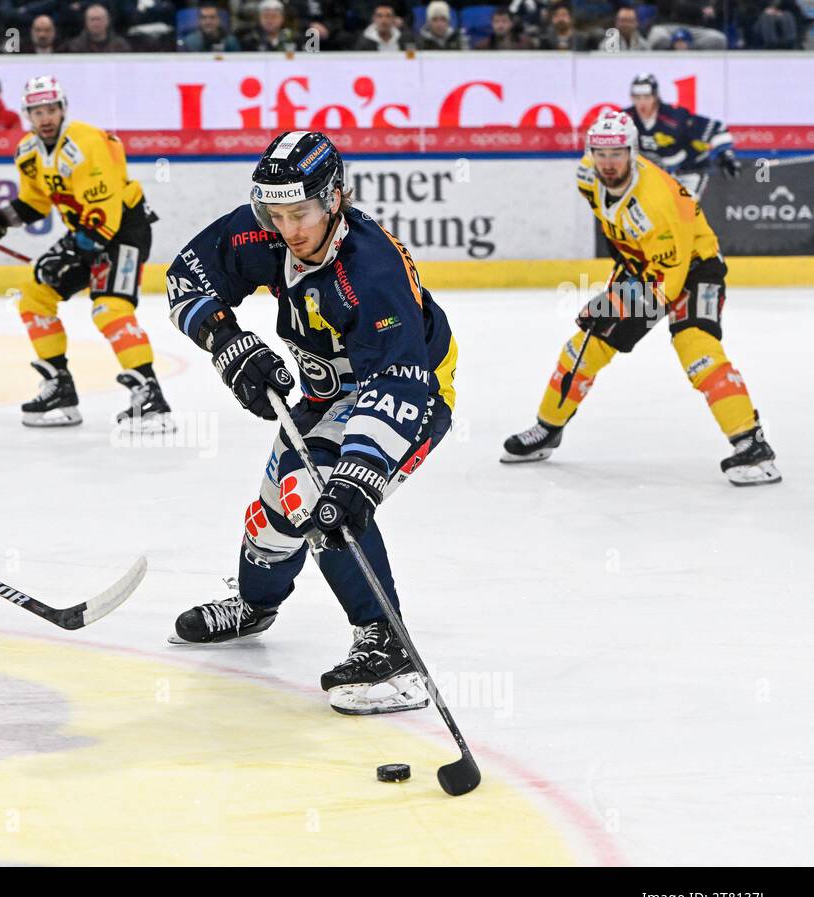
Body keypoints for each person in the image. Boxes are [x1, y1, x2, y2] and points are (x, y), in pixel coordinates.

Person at [164, 131, 459, 716]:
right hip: (325, 394)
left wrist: (358, 477)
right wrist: (229, 344)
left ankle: (388, 647)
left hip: (411, 393)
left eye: (300, 212)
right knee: (270, 519)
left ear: (335, 199)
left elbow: (398, 379)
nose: (289, 228)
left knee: (322, 501)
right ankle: (255, 607)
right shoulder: (270, 234)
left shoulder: (371, 270)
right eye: (276, 213)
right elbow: (185, 279)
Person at [501, 111, 778, 487]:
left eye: (617, 153)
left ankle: (752, 445)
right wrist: (615, 297)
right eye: (600, 153)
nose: (608, 163)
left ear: (633, 152)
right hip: (642, 266)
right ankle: (548, 428)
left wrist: (613, 304)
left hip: (694, 269)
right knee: (585, 346)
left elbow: (668, 284)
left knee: (696, 348)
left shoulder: (657, 205)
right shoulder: (587, 175)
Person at [0, 76, 173, 431]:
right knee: (34, 295)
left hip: (125, 231)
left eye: (51, 109)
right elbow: (32, 204)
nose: (46, 118)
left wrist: (73, 252)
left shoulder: (87, 143)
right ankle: (60, 389)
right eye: (38, 111)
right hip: (86, 232)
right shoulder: (28, 153)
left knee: (109, 307)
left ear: (63, 109)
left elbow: (106, 216)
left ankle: (151, 398)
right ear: (27, 114)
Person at [624, 73, 738, 198]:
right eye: (637, 97)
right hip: (651, 175)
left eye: (647, 97)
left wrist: (725, 154)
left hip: (687, 172)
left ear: (656, 96)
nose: (642, 103)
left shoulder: (675, 117)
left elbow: (716, 128)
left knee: (683, 212)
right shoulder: (625, 119)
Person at [64, 3, 133, 52]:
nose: (96, 23)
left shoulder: (120, 46)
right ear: (86, 22)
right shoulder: (74, 46)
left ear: (107, 21)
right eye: (92, 19)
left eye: (99, 19)